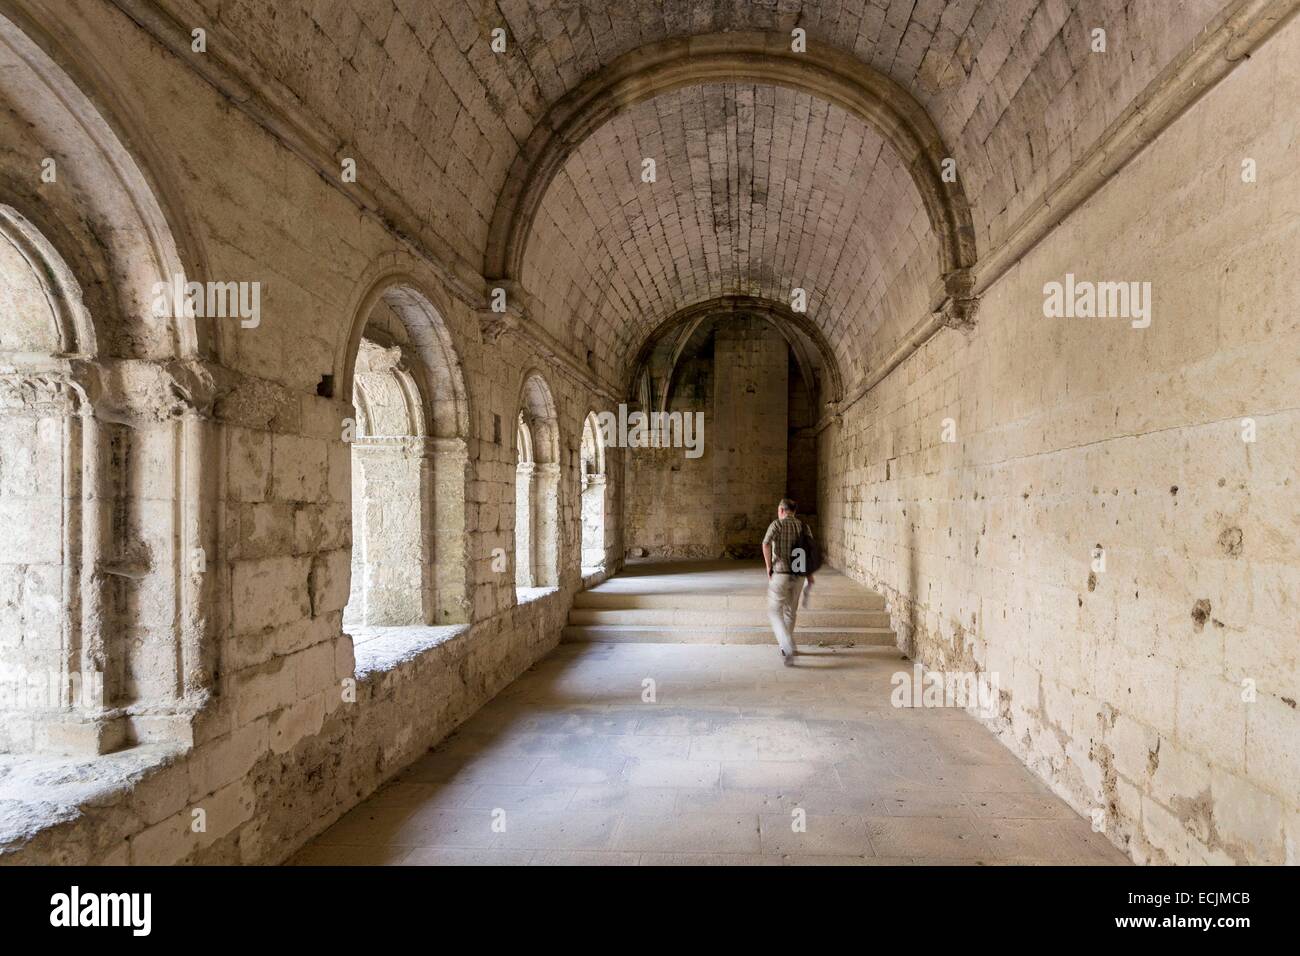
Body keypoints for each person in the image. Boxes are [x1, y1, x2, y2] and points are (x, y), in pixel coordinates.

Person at [761, 498, 814, 666]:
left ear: (781, 510)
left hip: (781, 573)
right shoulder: (804, 526)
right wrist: (809, 573)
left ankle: (787, 646)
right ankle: (786, 647)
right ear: (795, 511)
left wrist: (769, 566)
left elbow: (766, 543)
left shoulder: (777, 525)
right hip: (799, 576)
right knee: (791, 612)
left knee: (774, 611)